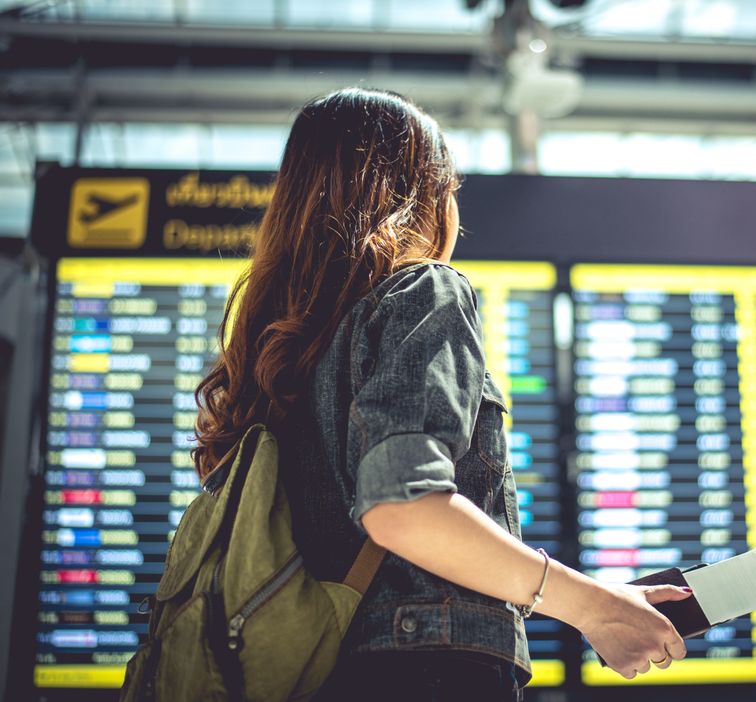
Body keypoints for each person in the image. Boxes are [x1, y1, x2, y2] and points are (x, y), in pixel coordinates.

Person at [192, 87, 691, 700]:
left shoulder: (277, 351)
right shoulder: (423, 292)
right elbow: (404, 507)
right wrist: (592, 606)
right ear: (423, 196)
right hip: (422, 674)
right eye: (448, 186)